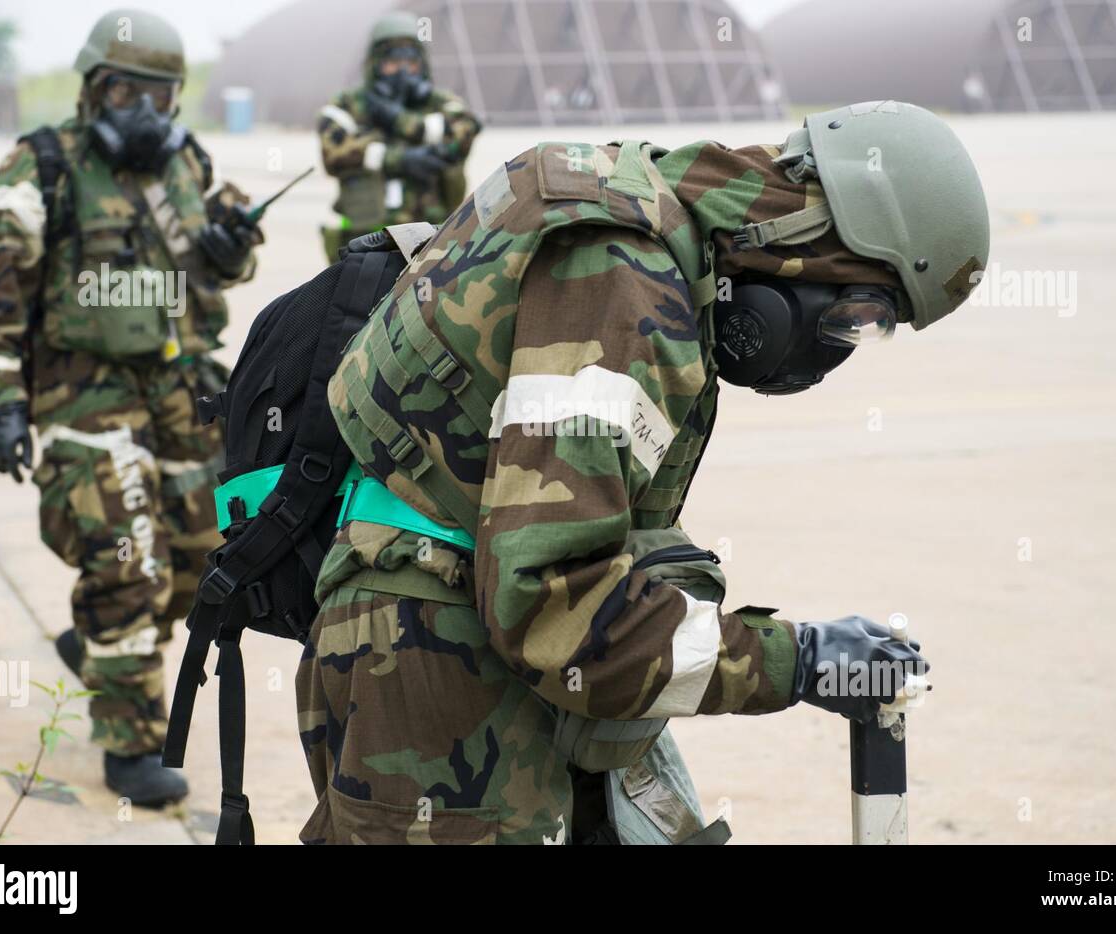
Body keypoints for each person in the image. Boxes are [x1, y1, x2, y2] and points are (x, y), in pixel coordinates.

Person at [295, 100, 990, 843]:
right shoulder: (619, 281)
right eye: (856, 314)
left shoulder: (653, 223)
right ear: (813, 242)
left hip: (478, 654)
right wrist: (801, 659)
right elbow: (553, 608)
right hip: (440, 689)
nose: (840, 348)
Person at [0, 8, 262, 806]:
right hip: (80, 385)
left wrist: (232, 253)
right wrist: (0, 403)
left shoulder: (187, 164)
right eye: (128, 91)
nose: (145, 111)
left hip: (175, 377)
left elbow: (219, 256)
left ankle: (98, 654)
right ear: (95, 88)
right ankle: (130, 742)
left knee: (210, 555)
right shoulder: (45, 166)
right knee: (130, 554)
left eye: (161, 97)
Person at [317, 10, 480, 259]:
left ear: (421, 64)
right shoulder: (348, 105)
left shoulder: (439, 102)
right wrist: (399, 159)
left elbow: (465, 132)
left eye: (410, 62)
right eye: (393, 62)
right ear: (376, 65)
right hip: (366, 242)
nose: (403, 72)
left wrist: (401, 121)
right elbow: (333, 153)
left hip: (431, 239)